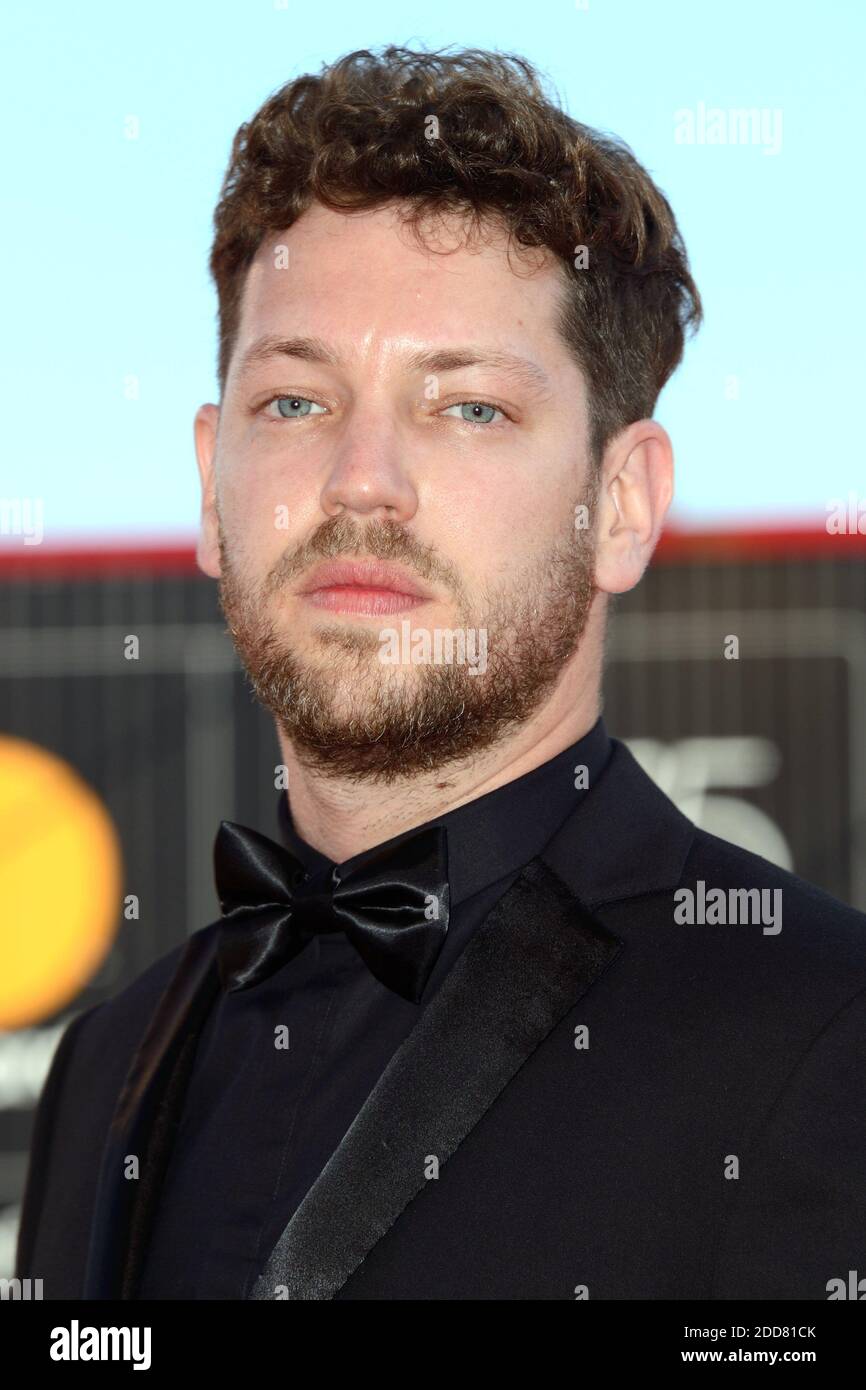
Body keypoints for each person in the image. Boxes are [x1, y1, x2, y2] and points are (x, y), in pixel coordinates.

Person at [16, 45, 866, 1301]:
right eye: (296, 402)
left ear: (619, 504)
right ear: (210, 485)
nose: (362, 477)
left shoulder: (823, 1034)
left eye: (467, 407)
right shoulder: (103, 1068)